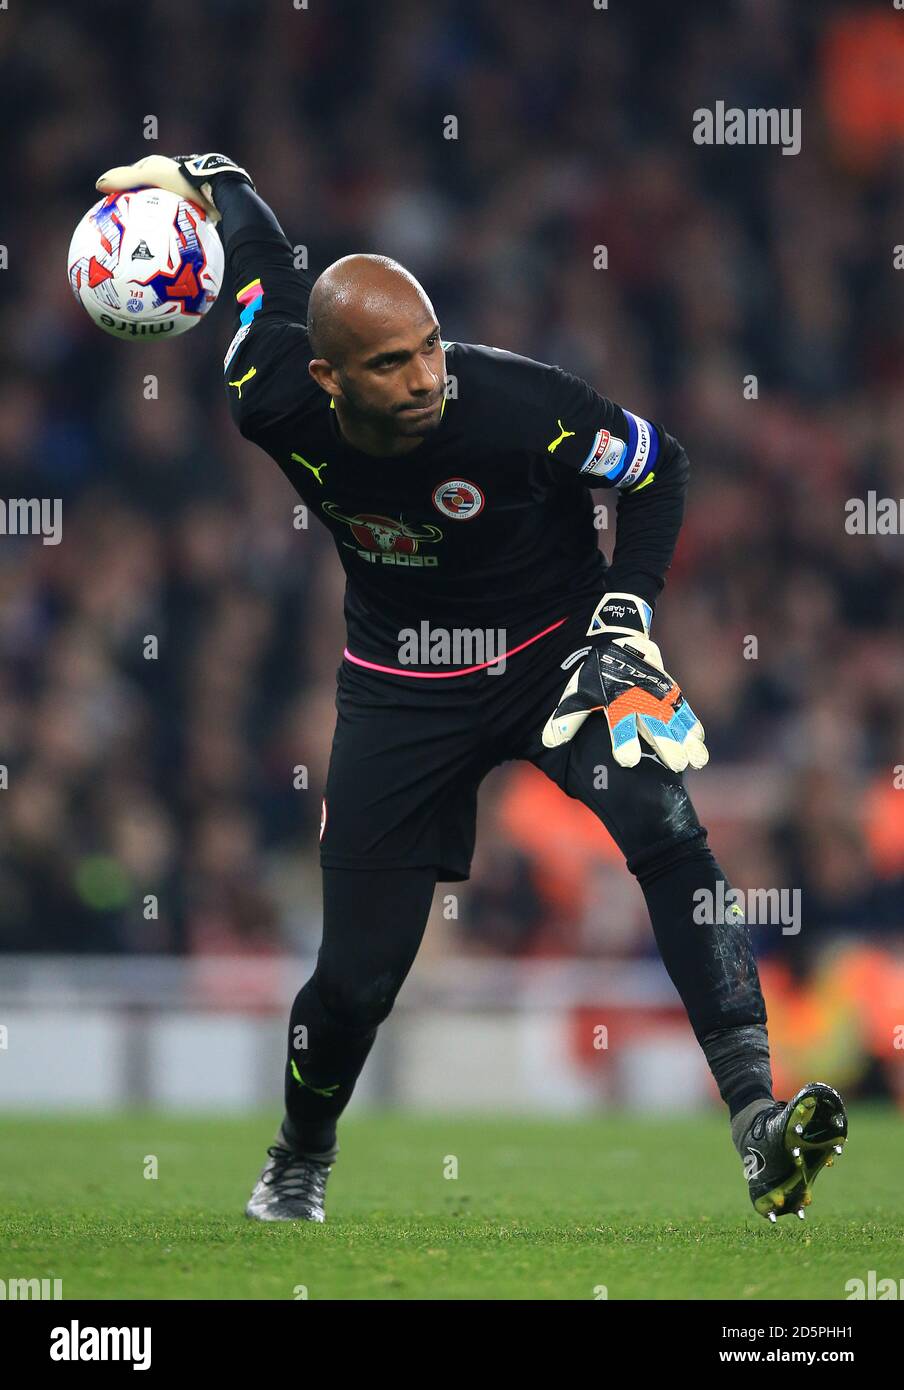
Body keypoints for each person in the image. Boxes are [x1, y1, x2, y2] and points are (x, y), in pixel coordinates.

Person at [96, 154, 848, 1223]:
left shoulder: (516, 405)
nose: (423, 378)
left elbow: (657, 466)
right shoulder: (267, 392)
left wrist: (623, 613)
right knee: (357, 978)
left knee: (665, 828)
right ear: (329, 378)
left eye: (429, 350)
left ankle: (753, 1123)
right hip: (401, 685)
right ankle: (300, 1157)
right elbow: (257, 261)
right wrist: (206, 176)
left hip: (554, 658)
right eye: (393, 364)